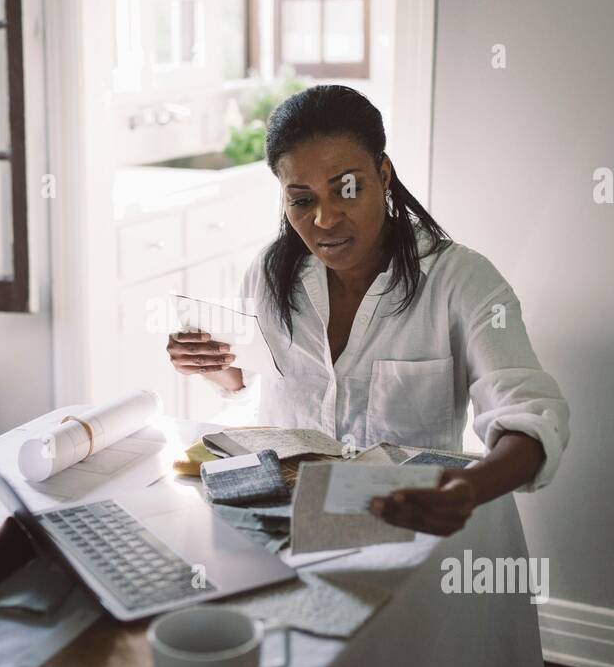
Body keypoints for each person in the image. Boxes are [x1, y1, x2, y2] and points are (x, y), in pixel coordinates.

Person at [165, 85, 569, 537]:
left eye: (347, 189)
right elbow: (261, 387)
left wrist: (470, 487)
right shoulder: (269, 271)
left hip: (408, 524)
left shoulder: (462, 280)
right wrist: (214, 367)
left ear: (384, 174)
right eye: (302, 199)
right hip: (284, 521)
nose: (325, 219)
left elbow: (530, 415)